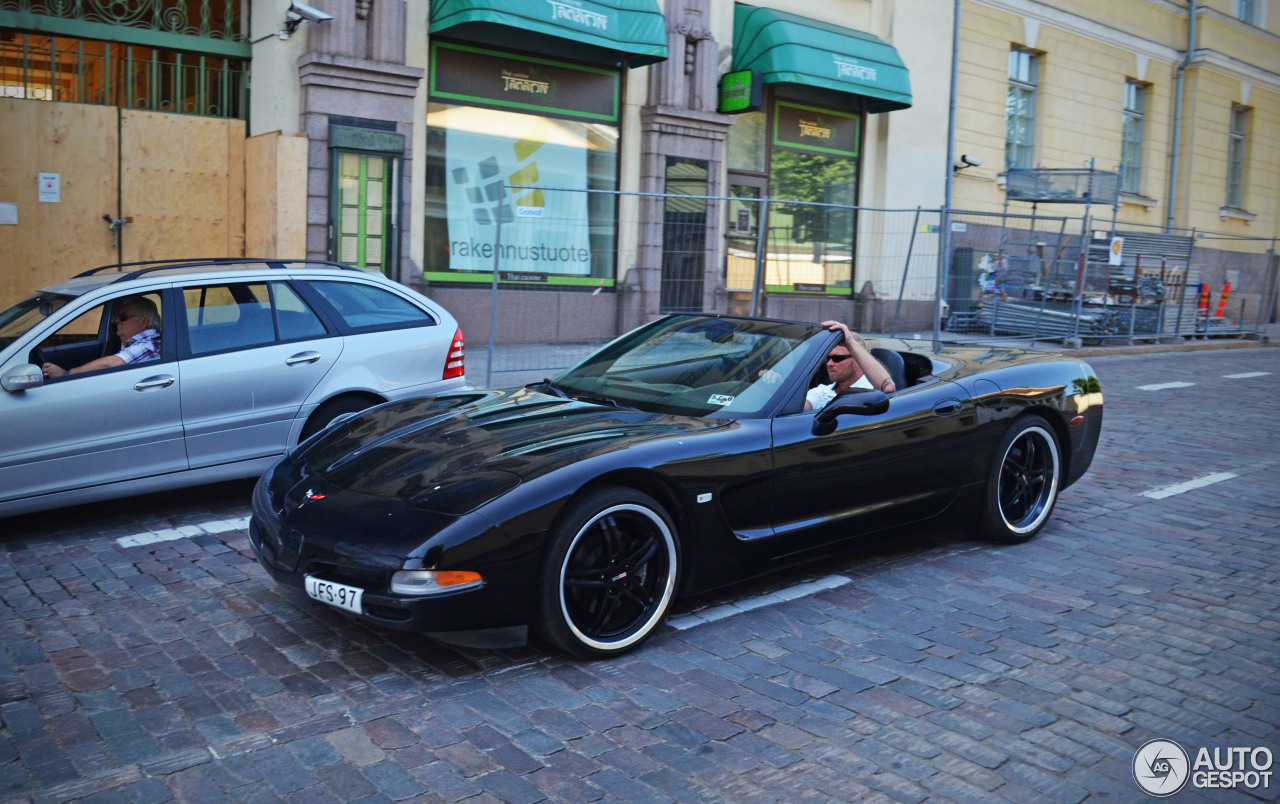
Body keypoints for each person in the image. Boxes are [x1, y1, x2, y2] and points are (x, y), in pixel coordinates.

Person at [41, 296, 162, 380]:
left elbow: (112, 363)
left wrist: (66, 375)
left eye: (123, 316)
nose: (117, 320)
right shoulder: (138, 343)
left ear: (143, 322)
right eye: (117, 316)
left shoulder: (149, 344)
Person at [804, 320, 895, 410]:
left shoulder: (871, 391)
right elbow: (797, 408)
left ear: (858, 361)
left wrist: (850, 343)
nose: (829, 363)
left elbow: (888, 388)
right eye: (828, 358)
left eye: (838, 358)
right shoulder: (822, 391)